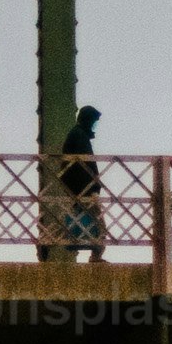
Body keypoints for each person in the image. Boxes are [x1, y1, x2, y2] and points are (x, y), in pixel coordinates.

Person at [53, 102, 105, 259]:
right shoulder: (79, 136)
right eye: (93, 121)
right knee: (99, 225)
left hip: (82, 189)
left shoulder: (77, 134)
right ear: (87, 120)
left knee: (90, 223)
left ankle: (92, 254)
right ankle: (95, 257)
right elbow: (82, 165)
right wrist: (89, 188)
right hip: (85, 190)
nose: (94, 125)